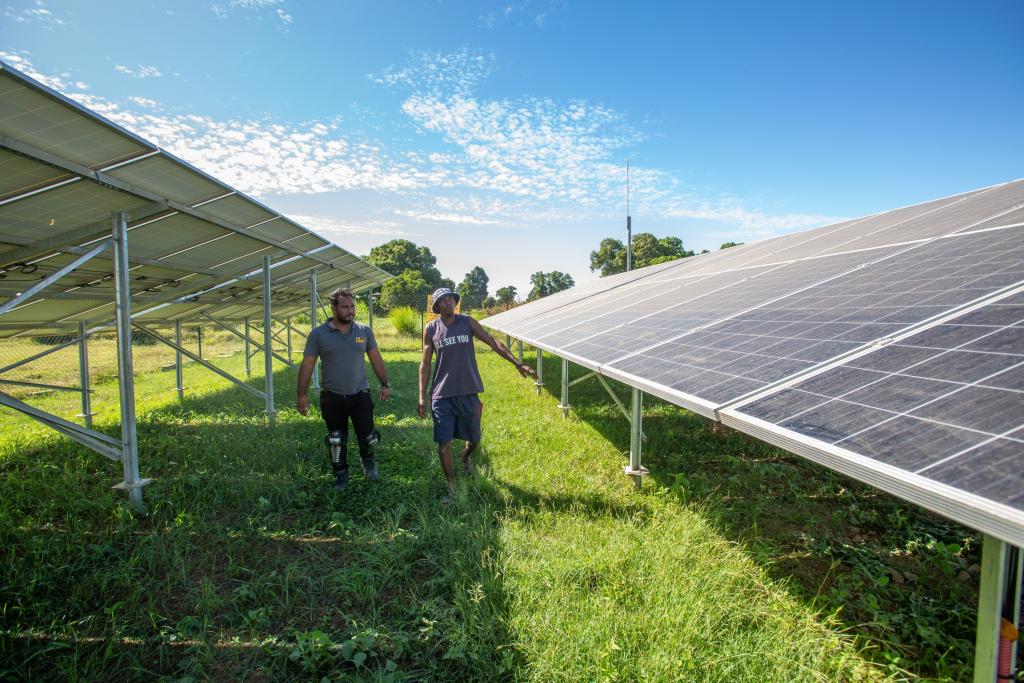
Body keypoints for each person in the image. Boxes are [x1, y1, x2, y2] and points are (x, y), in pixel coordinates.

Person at [418, 287, 536, 501]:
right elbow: (425, 363)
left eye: (451, 299)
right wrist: (421, 396)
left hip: (468, 392)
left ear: (455, 301)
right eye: (442, 301)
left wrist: (517, 363)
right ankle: (452, 487)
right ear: (436, 307)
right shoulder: (431, 329)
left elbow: (493, 342)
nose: (448, 303)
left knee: (474, 439)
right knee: (444, 444)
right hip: (441, 395)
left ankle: (465, 456)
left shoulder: (467, 322)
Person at [297, 287, 391, 491]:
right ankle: (341, 474)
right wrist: (301, 394)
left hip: (360, 394)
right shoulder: (318, 334)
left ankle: (368, 463)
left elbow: (375, 358)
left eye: (352, 307)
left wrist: (384, 383)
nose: (350, 311)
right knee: (336, 440)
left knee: (368, 436)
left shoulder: (364, 331)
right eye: (345, 307)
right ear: (333, 308)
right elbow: (307, 364)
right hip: (332, 397)